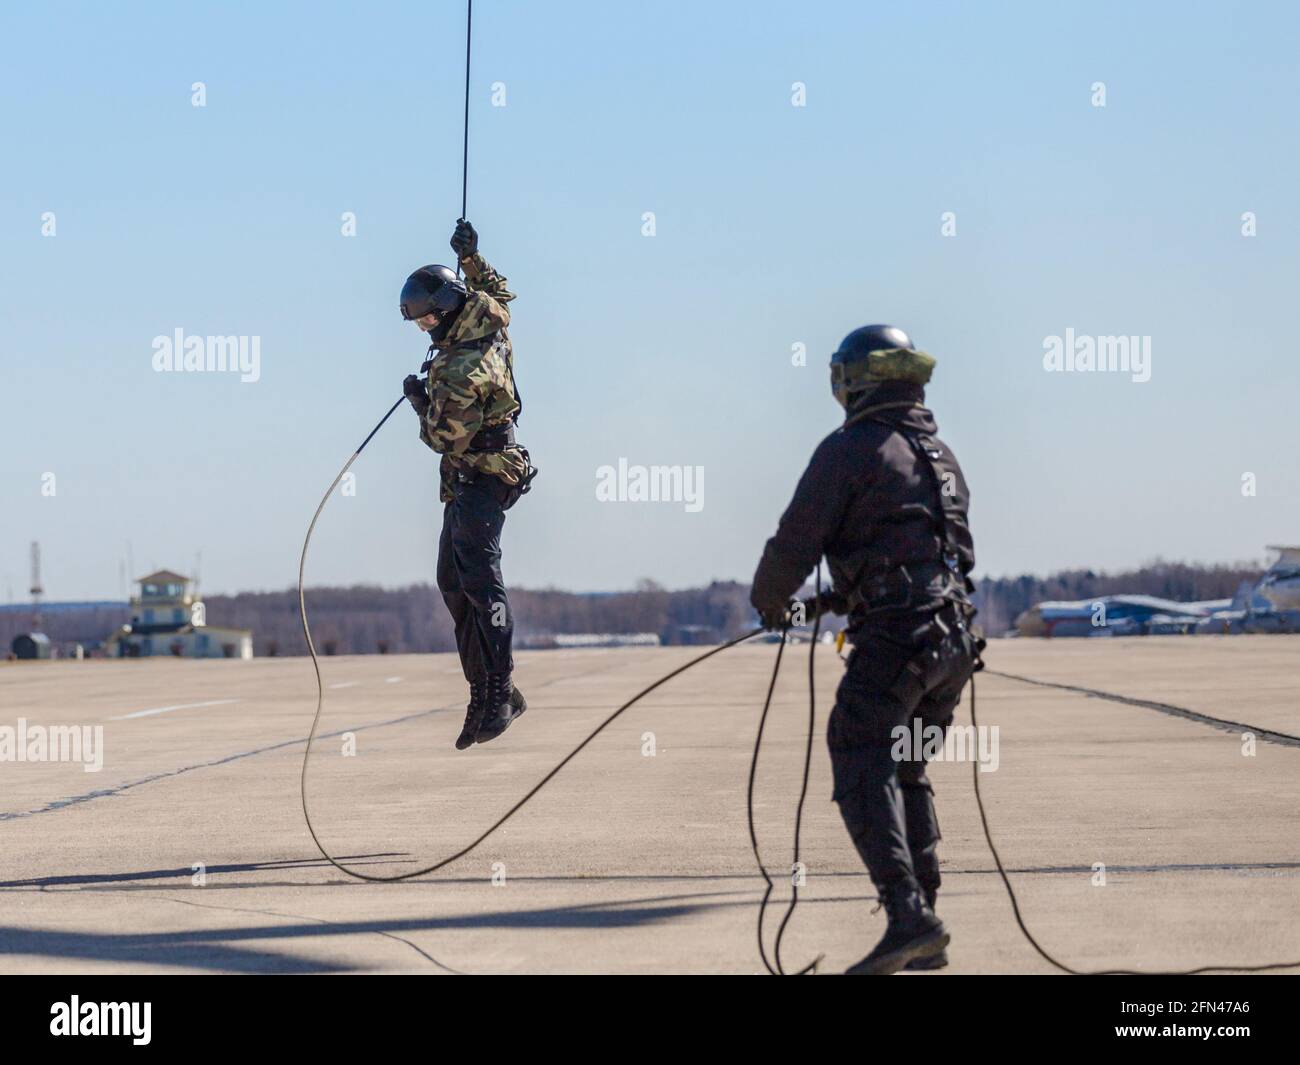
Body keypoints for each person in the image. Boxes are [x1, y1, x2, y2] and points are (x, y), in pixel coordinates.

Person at [749, 324, 983, 975]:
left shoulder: (850, 449)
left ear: (855, 381)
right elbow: (932, 560)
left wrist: (769, 600)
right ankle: (923, 921)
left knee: (858, 745)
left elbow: (795, 541)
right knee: (905, 764)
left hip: (901, 636)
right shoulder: (939, 454)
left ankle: (908, 915)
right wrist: (826, 605)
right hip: (953, 640)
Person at [399, 219, 536, 750]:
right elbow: (498, 294)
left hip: (483, 474)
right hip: (465, 481)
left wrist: (419, 401)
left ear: (449, 311)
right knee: (451, 582)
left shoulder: (462, 365)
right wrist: (472, 257)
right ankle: (483, 689)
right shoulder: (487, 316)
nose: (424, 327)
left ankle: (499, 693)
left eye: (428, 317)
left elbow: (444, 437)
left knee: (480, 583)